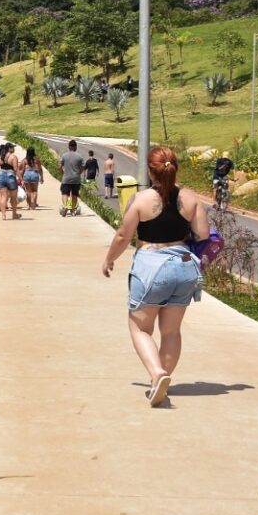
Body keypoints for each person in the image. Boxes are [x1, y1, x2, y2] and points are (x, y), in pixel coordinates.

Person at [101, 146, 209, 406]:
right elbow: (203, 235)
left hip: (151, 265)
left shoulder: (141, 200)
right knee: (171, 331)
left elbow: (123, 236)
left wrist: (109, 259)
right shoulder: (190, 198)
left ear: (151, 171)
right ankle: (160, 381)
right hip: (184, 266)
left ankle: (157, 373)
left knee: (140, 327)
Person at [59, 139, 86, 216]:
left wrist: (62, 172)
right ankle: (73, 211)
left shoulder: (64, 156)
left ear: (69, 147)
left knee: (64, 193)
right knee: (74, 194)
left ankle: (65, 206)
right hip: (76, 178)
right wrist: (79, 172)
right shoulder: (79, 156)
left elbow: (60, 166)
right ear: (75, 147)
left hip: (66, 178)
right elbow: (83, 166)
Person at [0, 143, 21, 220]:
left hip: (1, 176)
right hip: (10, 176)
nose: (14, 149)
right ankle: (14, 214)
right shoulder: (13, 157)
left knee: (3, 197)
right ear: (9, 149)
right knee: (13, 197)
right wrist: (21, 179)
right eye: (12, 147)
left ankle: (3, 215)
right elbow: (16, 169)